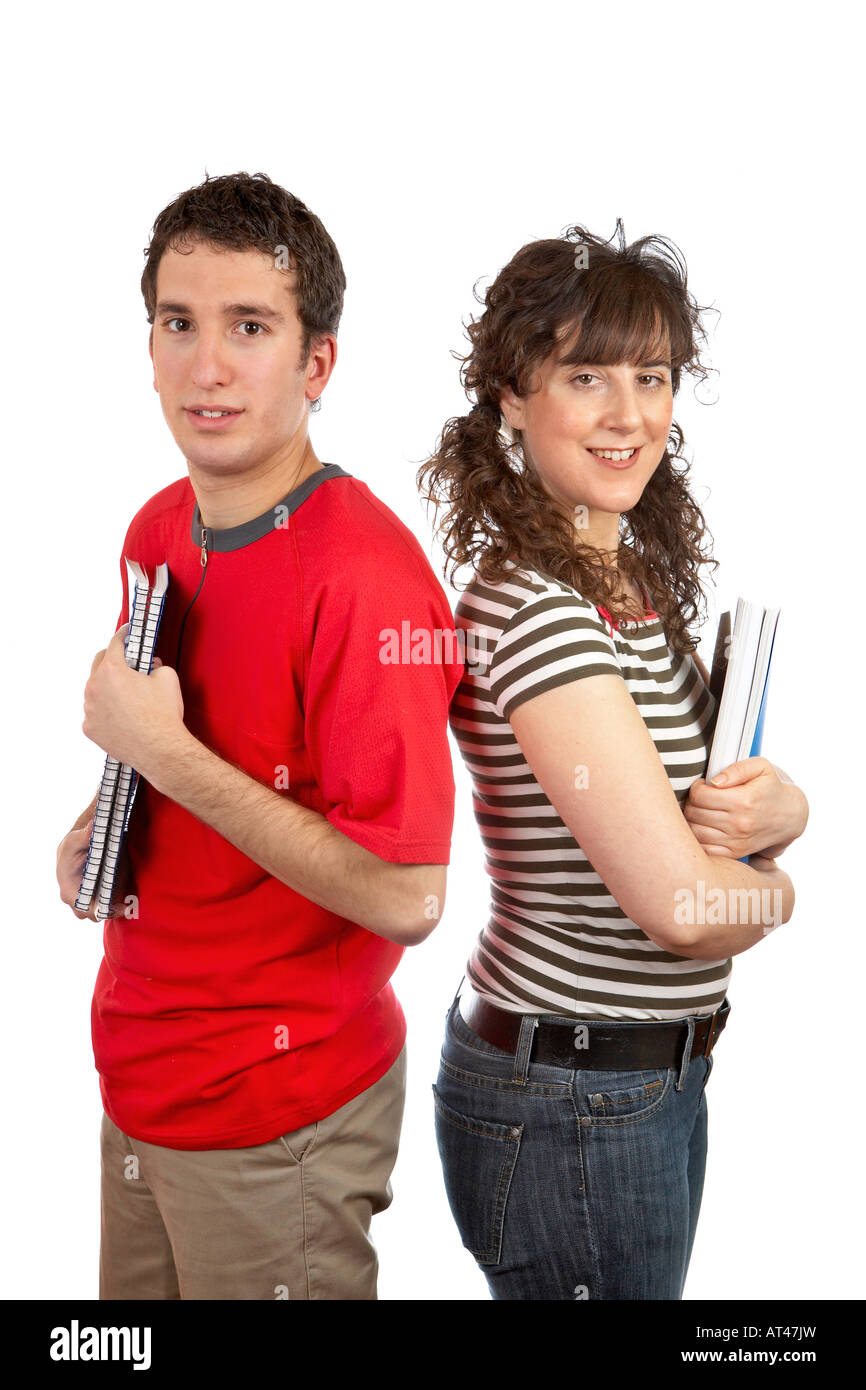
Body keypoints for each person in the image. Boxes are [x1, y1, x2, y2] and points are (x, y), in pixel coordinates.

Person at [55, 171, 462, 1300]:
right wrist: (103, 828)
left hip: (276, 1122)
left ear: (315, 363)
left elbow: (403, 897)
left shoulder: (363, 580)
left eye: (249, 327)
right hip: (143, 1084)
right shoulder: (156, 525)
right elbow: (163, 756)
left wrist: (166, 756)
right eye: (178, 324)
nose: (207, 366)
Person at [417, 220, 808, 1300]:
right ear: (509, 394)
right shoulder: (535, 609)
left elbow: (704, 818)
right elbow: (681, 906)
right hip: (571, 1102)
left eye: (651, 374)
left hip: (640, 1081)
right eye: (584, 375)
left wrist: (782, 807)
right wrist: (783, 890)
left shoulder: (618, 576)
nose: (627, 413)